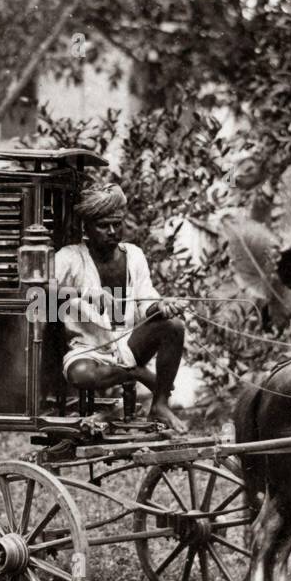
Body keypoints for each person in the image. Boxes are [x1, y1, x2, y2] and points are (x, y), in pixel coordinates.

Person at [54, 181, 188, 433]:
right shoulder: (70, 258)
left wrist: (162, 305)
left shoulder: (134, 256)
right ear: (87, 228)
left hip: (127, 345)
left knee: (173, 325)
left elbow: (146, 300)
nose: (113, 231)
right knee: (80, 375)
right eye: (103, 226)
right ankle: (135, 373)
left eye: (118, 224)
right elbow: (36, 293)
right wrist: (84, 294)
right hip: (88, 351)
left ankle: (160, 404)